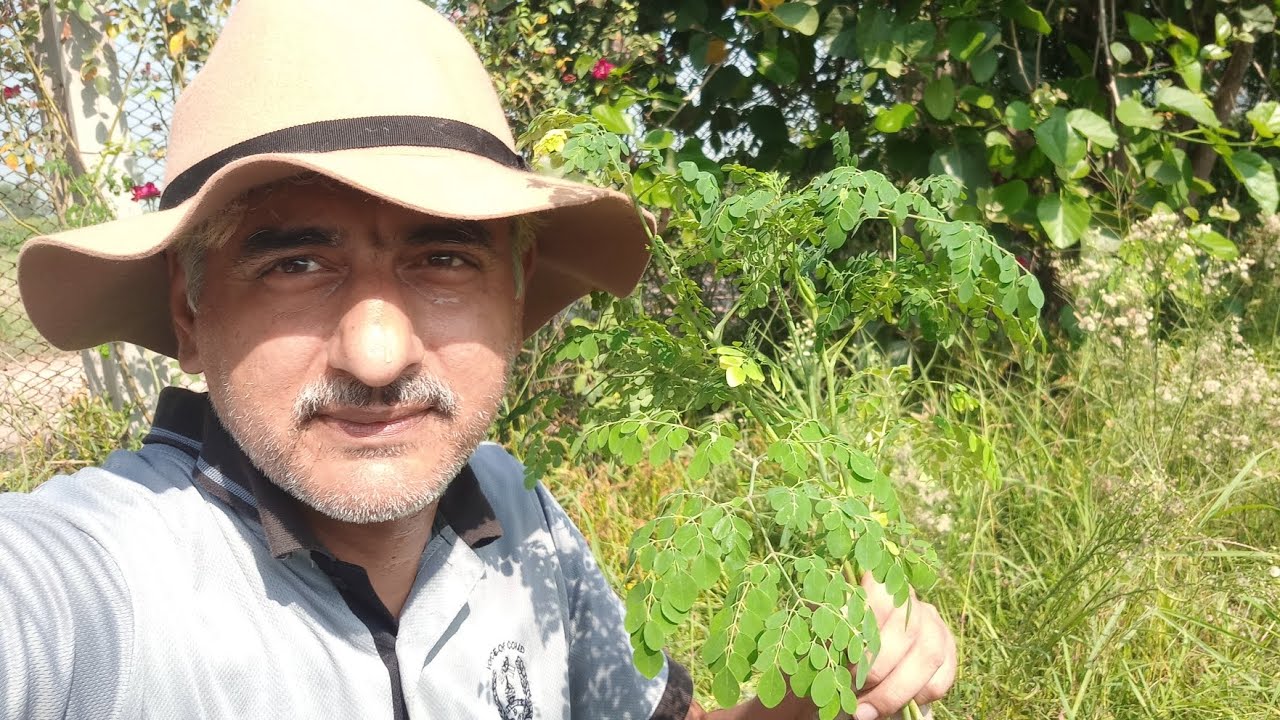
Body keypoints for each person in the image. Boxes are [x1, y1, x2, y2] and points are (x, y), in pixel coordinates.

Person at [4, 1, 957, 718]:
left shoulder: (516, 511)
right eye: (296, 261)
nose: (377, 355)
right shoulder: (103, 579)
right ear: (190, 307)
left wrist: (809, 697)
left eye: (443, 257)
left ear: (516, 287)